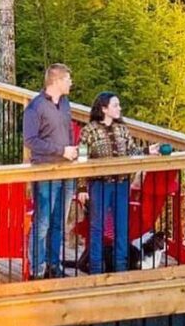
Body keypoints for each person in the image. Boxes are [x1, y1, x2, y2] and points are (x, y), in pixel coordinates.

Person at [77, 92, 157, 273]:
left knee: (122, 227)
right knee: (97, 227)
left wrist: (147, 150)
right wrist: (82, 187)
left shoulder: (122, 129)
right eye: (115, 105)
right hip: (99, 184)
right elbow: (81, 159)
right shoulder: (89, 131)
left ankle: (121, 268)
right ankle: (96, 268)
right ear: (103, 108)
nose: (119, 108)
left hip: (121, 184)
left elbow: (131, 151)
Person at [22, 63, 77, 278]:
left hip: (66, 171)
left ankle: (54, 265)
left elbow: (69, 132)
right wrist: (60, 150)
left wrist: (72, 153)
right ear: (57, 81)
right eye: (68, 79)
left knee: (58, 222)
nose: (71, 83)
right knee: (43, 221)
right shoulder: (35, 108)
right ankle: (38, 268)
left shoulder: (64, 103)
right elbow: (30, 140)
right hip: (45, 170)